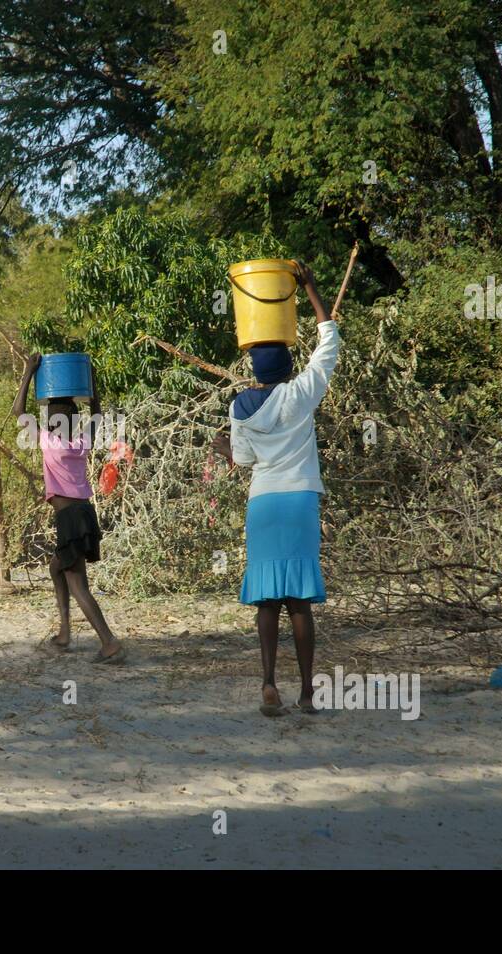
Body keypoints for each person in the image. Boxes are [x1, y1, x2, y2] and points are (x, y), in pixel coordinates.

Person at [212, 261, 340, 717]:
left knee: (266, 597)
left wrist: (226, 445)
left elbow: (244, 461)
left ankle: (268, 684)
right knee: (299, 601)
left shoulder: (240, 404)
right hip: (300, 498)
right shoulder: (301, 392)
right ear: (289, 365)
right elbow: (330, 344)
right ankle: (307, 693)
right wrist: (310, 288)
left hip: (263, 501)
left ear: (253, 369)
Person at [13, 353, 125, 664]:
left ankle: (109, 642)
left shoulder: (48, 440)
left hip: (69, 518)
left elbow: (18, 410)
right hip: (86, 514)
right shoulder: (81, 442)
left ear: (50, 421)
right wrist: (91, 383)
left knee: (78, 585)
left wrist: (28, 372)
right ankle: (64, 632)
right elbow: (99, 414)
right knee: (56, 566)